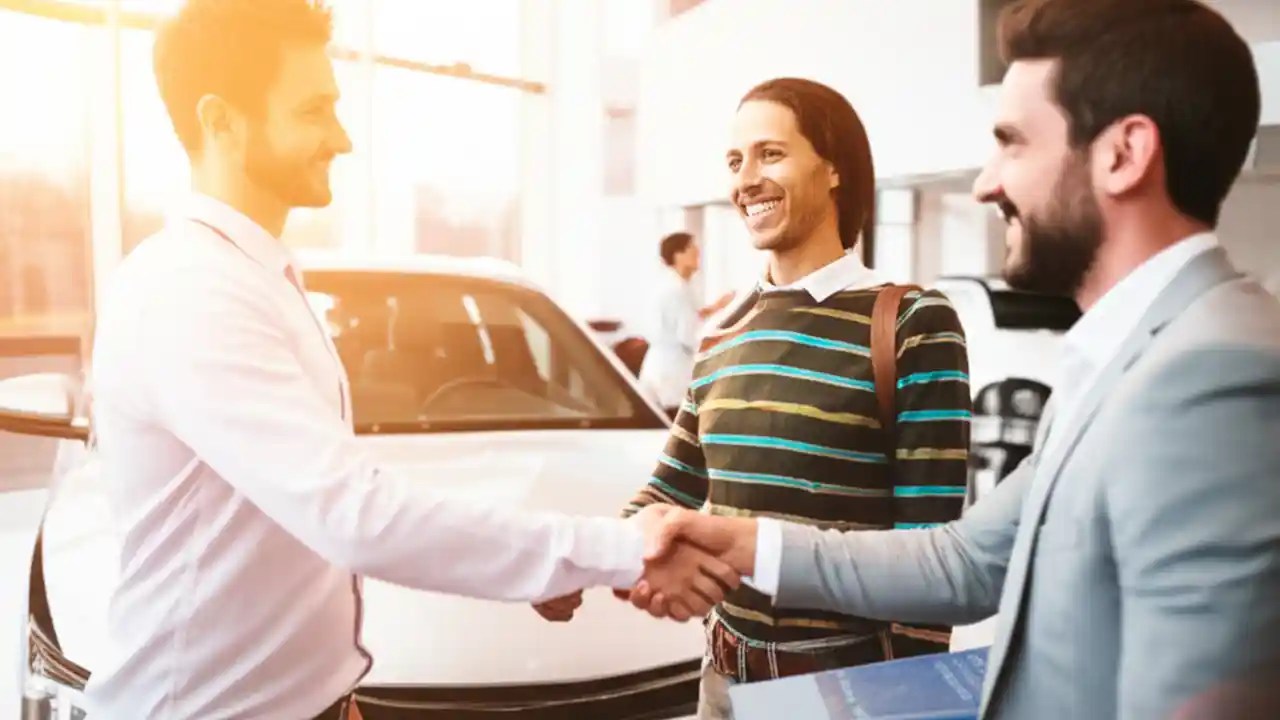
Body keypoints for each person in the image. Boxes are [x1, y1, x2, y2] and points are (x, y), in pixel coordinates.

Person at [83, 2, 736, 718]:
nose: (340, 138)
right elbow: (351, 512)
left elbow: (323, 501)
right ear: (222, 121)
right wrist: (615, 548)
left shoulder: (254, 276)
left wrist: (338, 687)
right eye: (313, 110)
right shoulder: (191, 290)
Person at [644, 1, 1280, 718]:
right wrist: (742, 544)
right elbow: (966, 562)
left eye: (1013, 144)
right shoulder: (1131, 357)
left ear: (1124, 154)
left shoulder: (1215, 374)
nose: (985, 183)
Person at [536, 77, 974, 719]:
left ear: (833, 168)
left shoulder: (911, 321)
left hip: (846, 694)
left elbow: (928, 548)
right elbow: (672, 488)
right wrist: (579, 560)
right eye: (735, 161)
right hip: (721, 685)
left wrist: (910, 701)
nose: (746, 180)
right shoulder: (722, 333)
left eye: (771, 154)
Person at [637, 232, 734, 413]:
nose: (697, 252)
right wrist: (729, 342)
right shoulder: (676, 290)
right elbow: (689, 336)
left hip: (664, 369)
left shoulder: (676, 285)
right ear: (678, 255)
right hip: (671, 375)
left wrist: (715, 307)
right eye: (691, 247)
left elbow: (689, 317)